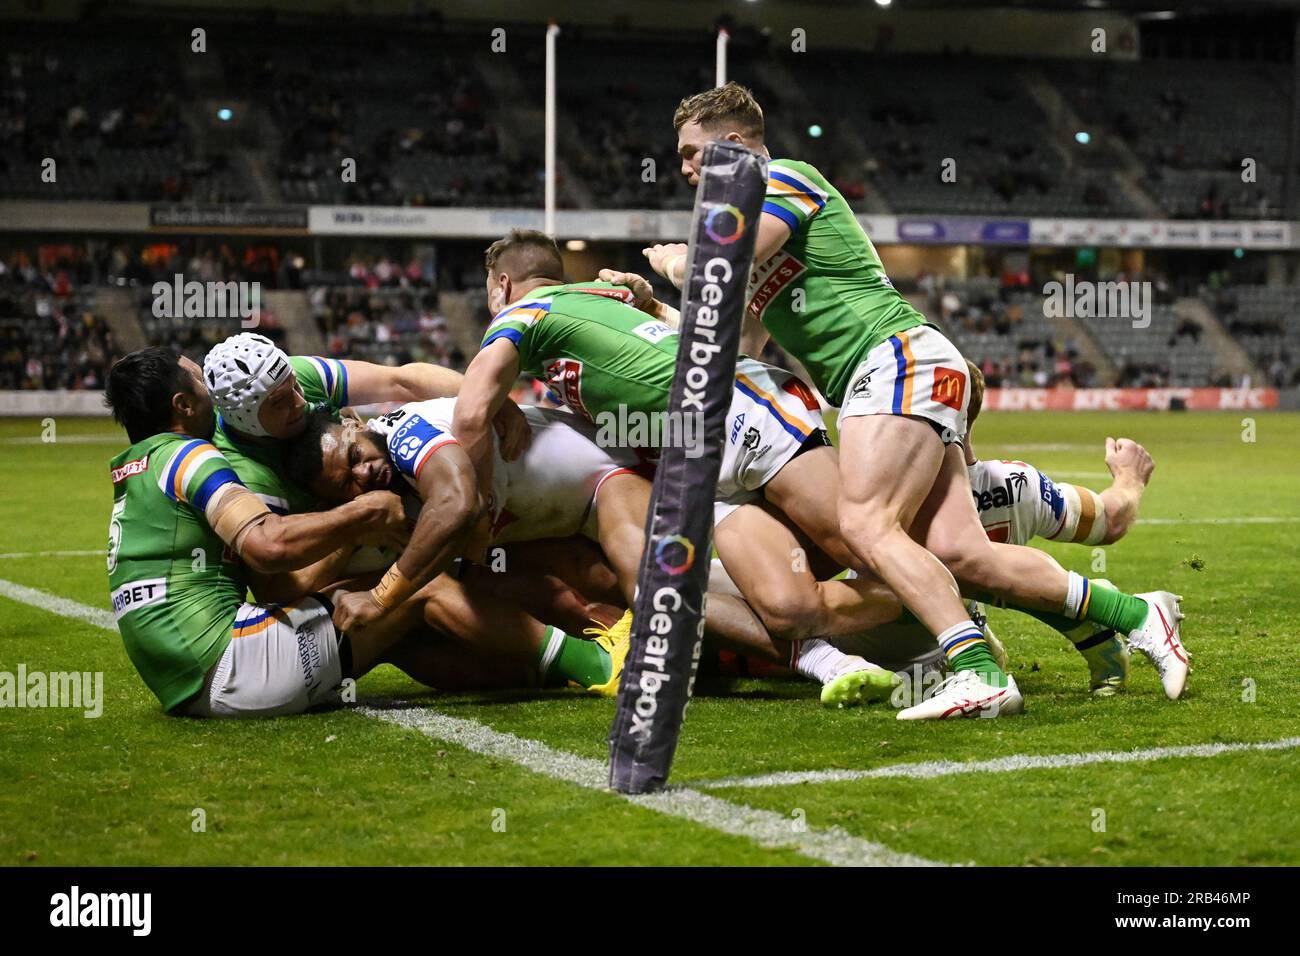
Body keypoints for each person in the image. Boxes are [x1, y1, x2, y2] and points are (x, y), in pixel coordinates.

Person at [642, 82, 1188, 715]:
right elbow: (734, 342)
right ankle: (1136, 612)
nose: (682, 168)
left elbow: (723, 265)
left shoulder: (783, 178)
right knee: (959, 553)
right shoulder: (756, 231)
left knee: (865, 523)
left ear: (734, 145)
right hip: (905, 371)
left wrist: (683, 262)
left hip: (894, 359)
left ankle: (976, 667)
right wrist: (651, 307)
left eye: (690, 152)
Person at [104, 346, 410, 718]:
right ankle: (504, 661)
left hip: (187, 687)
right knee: (415, 582)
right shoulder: (190, 456)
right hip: (235, 663)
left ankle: (493, 672)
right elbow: (267, 545)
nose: (213, 394)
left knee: (392, 629)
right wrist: (365, 512)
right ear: (183, 405)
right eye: (202, 382)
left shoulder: (140, 466)